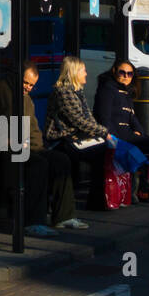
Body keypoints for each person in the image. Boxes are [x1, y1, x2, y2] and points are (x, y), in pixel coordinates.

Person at [0, 60, 86, 237]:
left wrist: (40, 147)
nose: (28, 88)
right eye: (26, 83)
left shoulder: (26, 99)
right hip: (4, 150)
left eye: (31, 85)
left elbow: (33, 128)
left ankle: (64, 216)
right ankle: (33, 221)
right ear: (16, 77)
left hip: (28, 147)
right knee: (38, 165)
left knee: (61, 161)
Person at [43, 55, 116, 209]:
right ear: (74, 72)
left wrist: (100, 132)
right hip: (61, 139)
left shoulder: (77, 91)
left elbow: (88, 117)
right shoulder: (63, 92)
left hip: (75, 137)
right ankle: (95, 201)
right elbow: (78, 120)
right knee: (98, 153)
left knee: (102, 149)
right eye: (83, 70)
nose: (86, 73)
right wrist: (103, 132)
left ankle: (98, 200)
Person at [95, 60, 149, 192]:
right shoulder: (107, 89)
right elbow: (103, 117)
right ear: (114, 71)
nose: (125, 76)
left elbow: (132, 116)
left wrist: (139, 131)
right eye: (122, 72)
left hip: (128, 133)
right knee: (143, 149)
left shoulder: (127, 91)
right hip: (116, 134)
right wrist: (111, 137)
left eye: (129, 74)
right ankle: (143, 187)